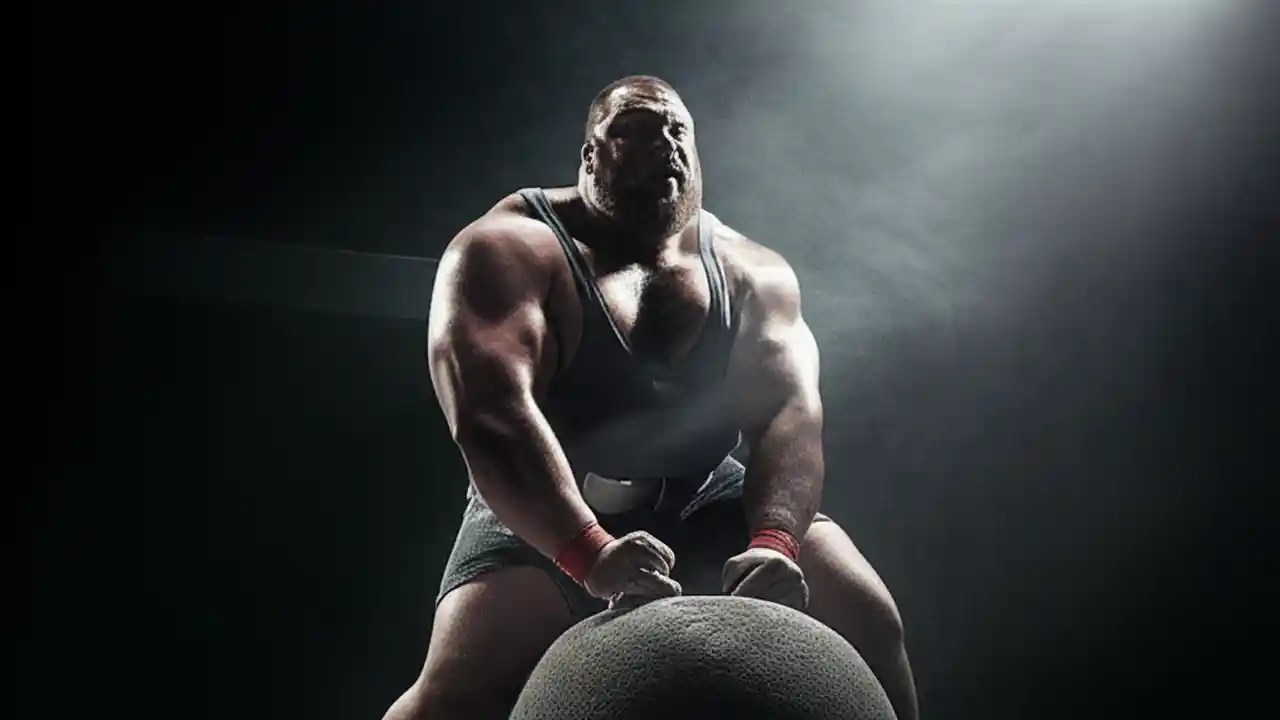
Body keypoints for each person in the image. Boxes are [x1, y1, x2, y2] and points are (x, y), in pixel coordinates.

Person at [383, 75, 919, 720]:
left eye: (675, 131)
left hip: (702, 491)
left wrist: (775, 541)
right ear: (589, 156)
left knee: (869, 618)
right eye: (634, 129)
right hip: (548, 496)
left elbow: (789, 414)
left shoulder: (754, 272)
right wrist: (587, 551)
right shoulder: (508, 248)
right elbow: (491, 416)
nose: (661, 143)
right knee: (456, 695)